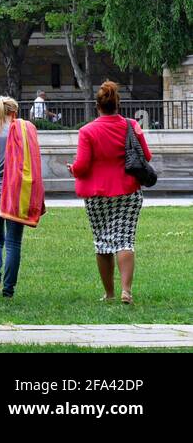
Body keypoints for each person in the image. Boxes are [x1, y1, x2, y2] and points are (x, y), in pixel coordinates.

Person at [70, 81, 152, 305]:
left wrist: (72, 169)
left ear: (98, 106)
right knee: (125, 239)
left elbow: (82, 166)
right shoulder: (131, 125)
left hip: (97, 195)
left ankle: (109, 293)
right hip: (128, 191)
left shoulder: (87, 131)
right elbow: (146, 155)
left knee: (102, 241)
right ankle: (127, 291)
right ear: (118, 104)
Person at [0, 96, 43, 300]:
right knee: (13, 243)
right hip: (16, 194)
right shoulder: (22, 134)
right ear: (14, 113)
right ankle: (9, 289)